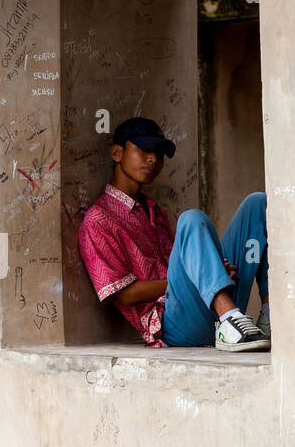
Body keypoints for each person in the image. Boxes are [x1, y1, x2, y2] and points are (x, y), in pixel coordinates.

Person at [78, 117, 270, 351]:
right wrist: (205, 277)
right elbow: (125, 294)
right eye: (145, 149)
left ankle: (268, 317)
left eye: (159, 154)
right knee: (192, 219)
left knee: (258, 204)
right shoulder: (99, 219)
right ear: (117, 153)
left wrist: (217, 273)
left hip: (203, 307)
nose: (153, 159)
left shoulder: (154, 212)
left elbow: (183, 267)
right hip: (172, 324)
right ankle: (229, 318)